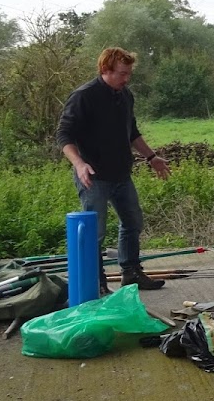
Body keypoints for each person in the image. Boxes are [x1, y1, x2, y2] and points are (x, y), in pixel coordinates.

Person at [57, 47, 170, 293]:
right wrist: (79, 164)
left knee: (133, 222)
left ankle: (131, 274)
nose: (126, 78)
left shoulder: (125, 95)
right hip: (93, 177)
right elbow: (64, 135)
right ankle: (96, 284)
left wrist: (151, 157)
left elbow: (132, 133)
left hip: (121, 174)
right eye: (122, 73)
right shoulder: (84, 96)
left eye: (129, 73)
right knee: (94, 233)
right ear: (105, 70)